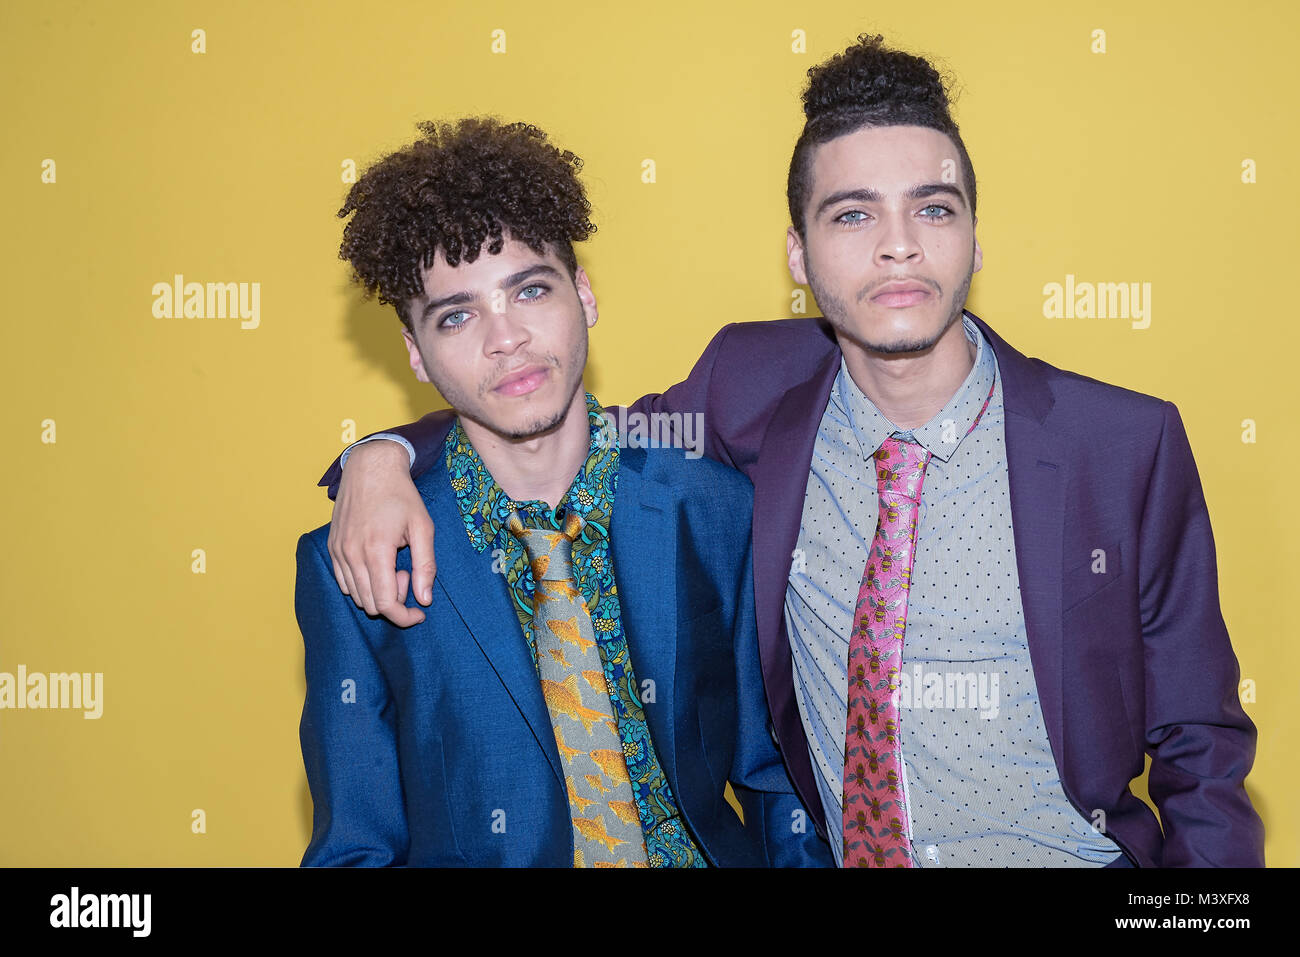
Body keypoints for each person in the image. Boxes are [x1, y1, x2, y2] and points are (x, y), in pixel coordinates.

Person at [316, 37, 1264, 867]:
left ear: (976, 236)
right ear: (799, 257)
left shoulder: (1122, 444)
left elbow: (1202, 750)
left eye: (932, 209)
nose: (897, 247)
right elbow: (548, 421)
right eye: (852, 215)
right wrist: (383, 455)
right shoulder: (745, 389)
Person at [295, 116, 832, 867]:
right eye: (458, 315)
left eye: (529, 290)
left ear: (583, 293)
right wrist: (374, 456)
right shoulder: (356, 560)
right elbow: (354, 846)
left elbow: (776, 781)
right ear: (416, 355)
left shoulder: (709, 507)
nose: (504, 337)